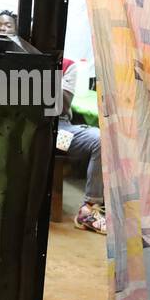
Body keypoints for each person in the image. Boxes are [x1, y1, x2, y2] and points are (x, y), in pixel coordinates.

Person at [58, 57, 105, 234]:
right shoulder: (19, 59)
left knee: (101, 140)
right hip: (23, 121)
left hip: (59, 128)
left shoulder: (68, 66)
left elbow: (60, 105)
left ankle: (88, 210)